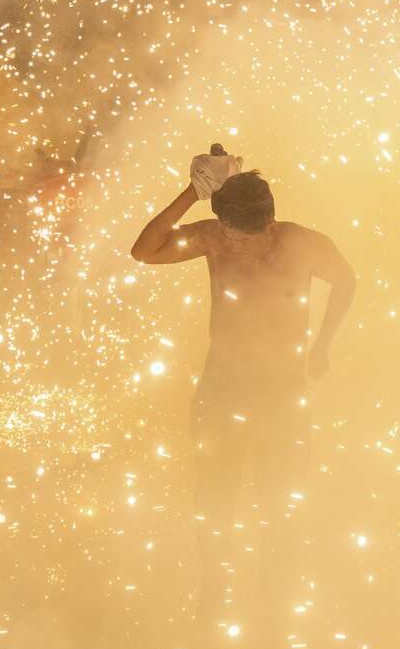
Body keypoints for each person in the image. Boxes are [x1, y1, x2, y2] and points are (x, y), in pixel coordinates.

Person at [131, 149, 356, 622]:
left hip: (282, 391)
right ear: (223, 222)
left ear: (272, 221)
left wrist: (323, 345)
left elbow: (346, 280)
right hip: (223, 388)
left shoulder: (300, 243)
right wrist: (194, 192)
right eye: (236, 233)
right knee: (215, 501)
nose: (246, 244)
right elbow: (144, 250)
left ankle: (276, 613)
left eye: (255, 234)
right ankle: (213, 606)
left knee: (282, 504)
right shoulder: (213, 237)